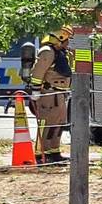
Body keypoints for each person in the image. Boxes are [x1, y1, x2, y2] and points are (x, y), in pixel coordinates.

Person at [28, 26, 73, 165]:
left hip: (59, 93)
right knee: (46, 123)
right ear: (60, 39)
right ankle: (41, 154)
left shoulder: (61, 53)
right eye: (66, 40)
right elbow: (38, 73)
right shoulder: (47, 52)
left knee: (58, 123)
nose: (68, 43)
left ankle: (54, 152)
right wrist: (35, 91)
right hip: (48, 94)